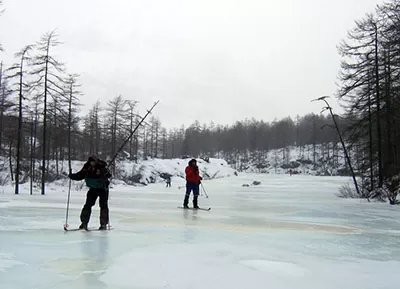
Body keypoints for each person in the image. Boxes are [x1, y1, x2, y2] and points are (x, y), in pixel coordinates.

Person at [69, 155, 111, 230]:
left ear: (96, 161)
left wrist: (104, 174)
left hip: (103, 189)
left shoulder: (101, 166)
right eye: (91, 162)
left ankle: (103, 224)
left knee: (103, 206)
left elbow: (108, 175)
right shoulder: (87, 167)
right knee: (87, 205)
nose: (92, 163)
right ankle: (84, 223)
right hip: (93, 189)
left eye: (93, 162)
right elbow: (80, 175)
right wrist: (72, 176)